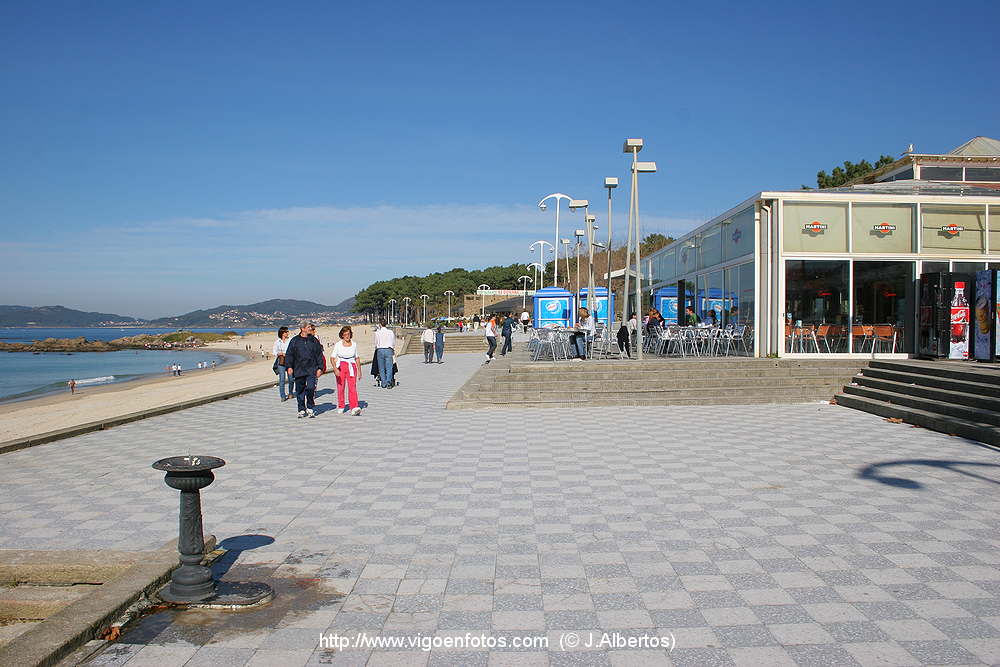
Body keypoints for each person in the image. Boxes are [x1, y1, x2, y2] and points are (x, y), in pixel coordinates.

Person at [284, 321, 324, 418]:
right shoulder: (295, 341)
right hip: (299, 369)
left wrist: (320, 368)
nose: (310, 329)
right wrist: (289, 366)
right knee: (300, 390)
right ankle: (301, 409)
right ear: (303, 329)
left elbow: (319, 354)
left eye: (310, 327)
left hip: (311, 368)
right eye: (308, 327)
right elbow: (289, 355)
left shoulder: (314, 340)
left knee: (311, 388)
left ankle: (310, 407)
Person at [331, 326, 362, 416]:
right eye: (345, 335)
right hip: (341, 365)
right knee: (341, 387)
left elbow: (357, 358)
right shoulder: (338, 344)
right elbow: (332, 358)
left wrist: (359, 371)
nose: (347, 336)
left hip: (351, 366)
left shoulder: (354, 344)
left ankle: (354, 407)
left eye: (348, 334)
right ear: (342, 335)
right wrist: (335, 369)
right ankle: (341, 405)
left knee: (352, 387)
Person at [272, 326, 294, 402]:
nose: (287, 333)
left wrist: (287, 353)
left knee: (291, 379)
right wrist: (280, 353)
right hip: (281, 361)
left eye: (287, 331)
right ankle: (282, 396)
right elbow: (274, 352)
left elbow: (294, 349)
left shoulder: (290, 340)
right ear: (282, 333)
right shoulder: (277, 342)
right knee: (282, 379)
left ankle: (290, 393)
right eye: (286, 332)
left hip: (289, 361)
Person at [373, 320, 397, 388]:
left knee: (381, 367)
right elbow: (393, 342)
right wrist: (393, 349)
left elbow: (375, 343)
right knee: (389, 367)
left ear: (380, 324)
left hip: (380, 350)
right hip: (388, 349)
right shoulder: (390, 332)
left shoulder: (377, 333)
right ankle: (388, 382)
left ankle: (383, 383)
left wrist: (377, 348)